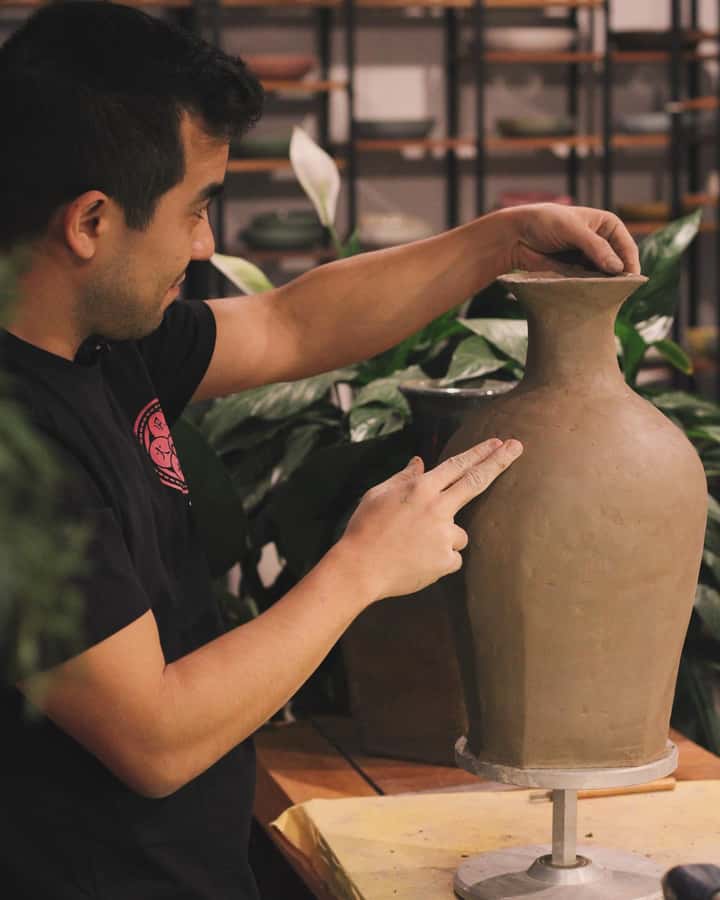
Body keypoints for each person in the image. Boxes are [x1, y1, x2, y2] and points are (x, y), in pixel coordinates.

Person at [0, 2, 641, 898]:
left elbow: (291, 324)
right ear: (91, 222)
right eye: (196, 209)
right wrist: (361, 565)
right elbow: (154, 737)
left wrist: (502, 240)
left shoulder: (100, 341)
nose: (207, 242)